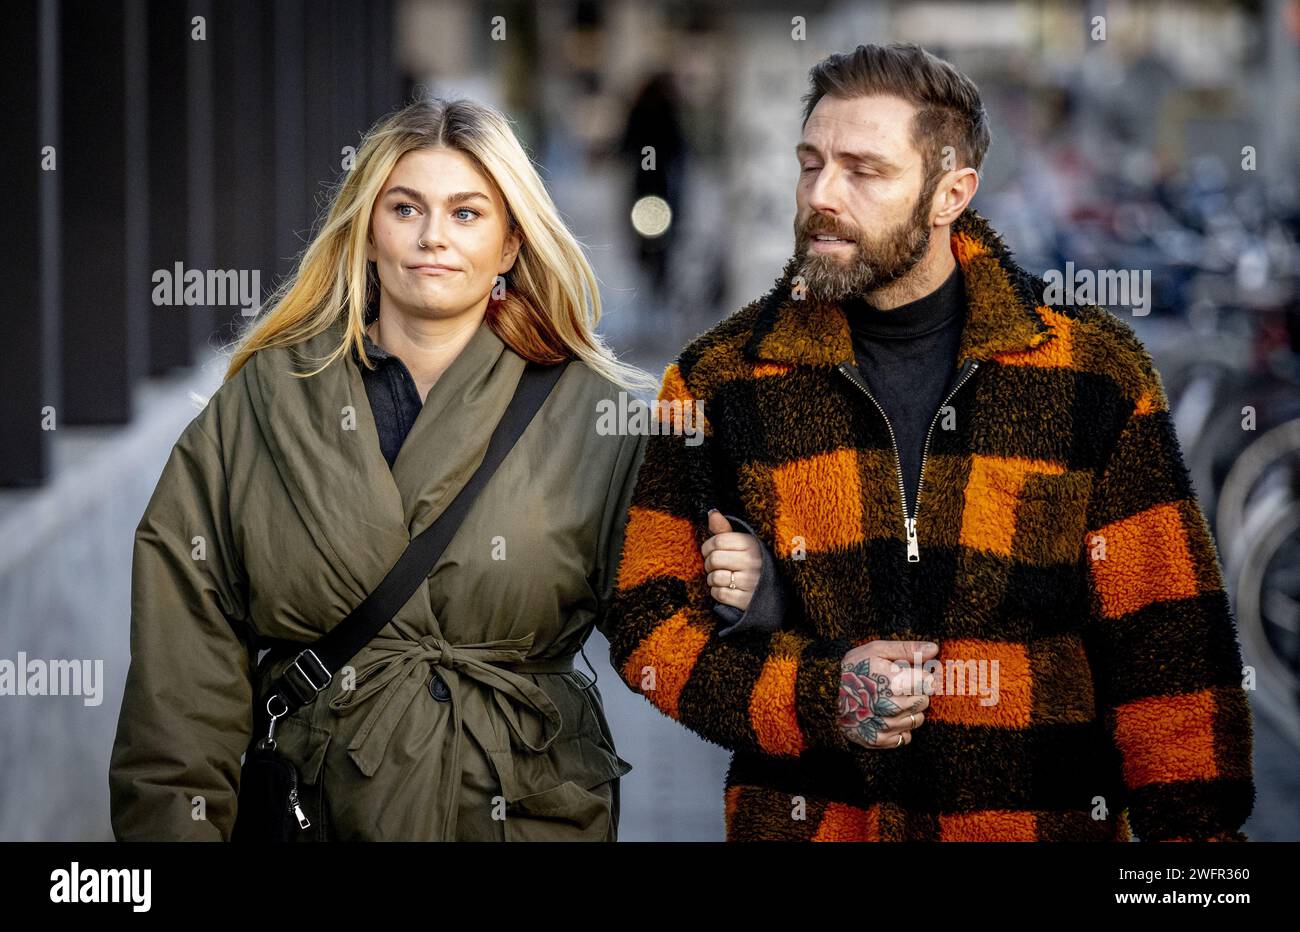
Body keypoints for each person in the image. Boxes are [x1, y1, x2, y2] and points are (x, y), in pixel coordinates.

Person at [600, 43, 1255, 841]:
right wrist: (816, 694)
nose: (822, 196)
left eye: (863, 170)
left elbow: (1171, 649)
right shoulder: (720, 381)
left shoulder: (1092, 373)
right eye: (811, 164)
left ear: (951, 192)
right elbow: (643, 621)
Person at [108, 96, 767, 841]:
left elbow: (670, 624)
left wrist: (751, 588)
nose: (432, 238)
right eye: (405, 208)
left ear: (511, 244)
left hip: (523, 815)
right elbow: (180, 678)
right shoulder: (264, 405)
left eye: (465, 213)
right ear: (365, 231)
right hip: (315, 811)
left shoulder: (600, 415)